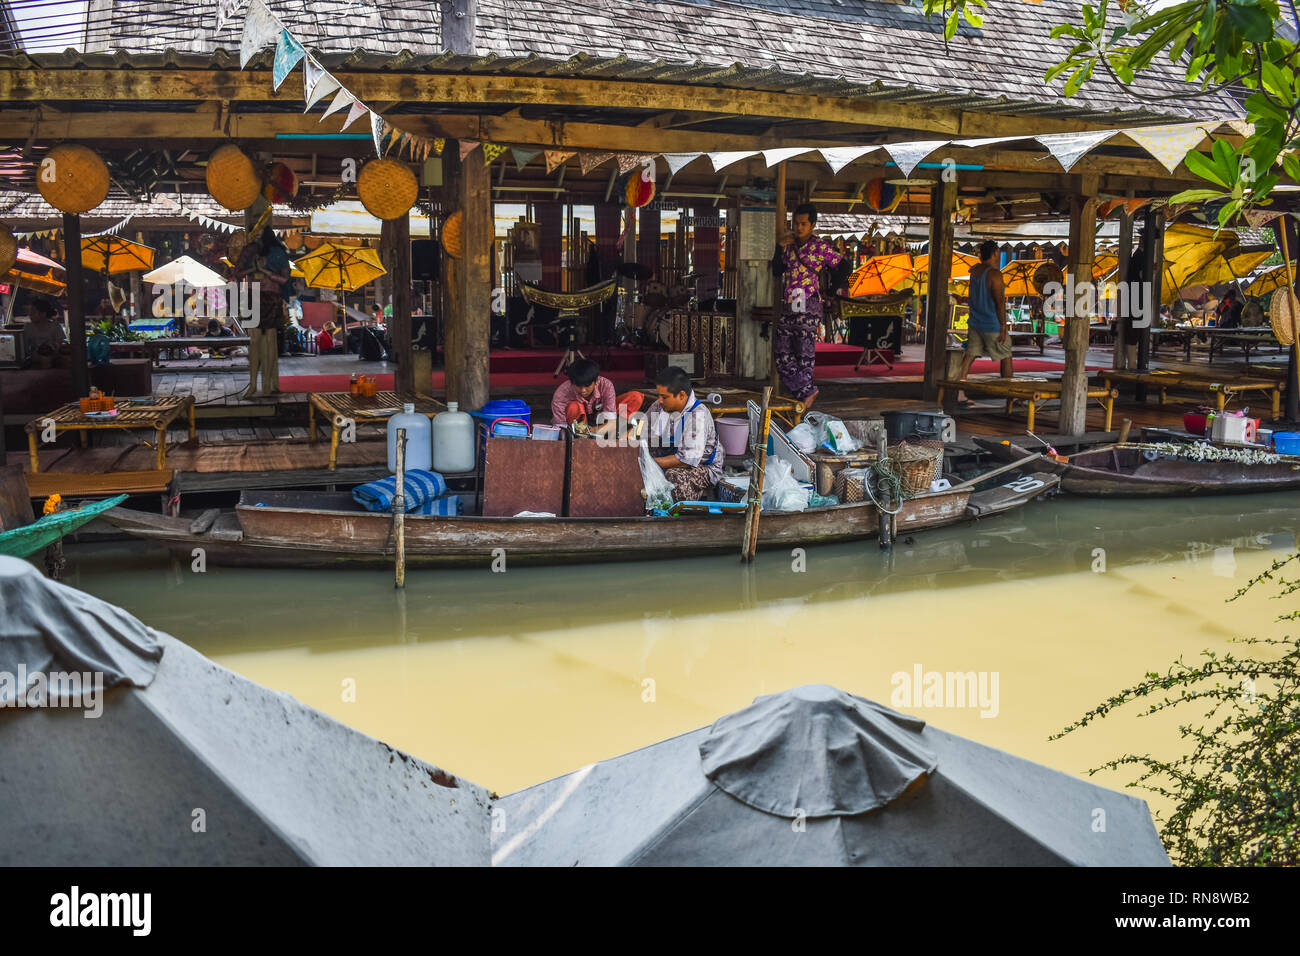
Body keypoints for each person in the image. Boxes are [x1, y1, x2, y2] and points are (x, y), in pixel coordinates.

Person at [770, 203, 843, 411]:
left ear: (812, 224)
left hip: (809, 301)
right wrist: (778, 246)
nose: (799, 227)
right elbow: (776, 270)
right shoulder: (790, 247)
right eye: (796, 223)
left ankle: (804, 395)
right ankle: (807, 390)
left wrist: (832, 290)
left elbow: (844, 266)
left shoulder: (820, 247)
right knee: (781, 352)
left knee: (804, 352)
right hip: (791, 302)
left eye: (803, 224)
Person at [646, 365, 722, 502]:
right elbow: (642, 427)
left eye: (664, 396)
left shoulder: (697, 416)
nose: (660, 400)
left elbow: (685, 461)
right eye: (659, 395)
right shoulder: (660, 406)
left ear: (681, 395)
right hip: (669, 456)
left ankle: (681, 515)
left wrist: (649, 463)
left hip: (700, 466)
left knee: (674, 477)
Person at [955, 240, 1013, 406]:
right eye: (999, 252)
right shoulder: (995, 274)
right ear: (995, 253)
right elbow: (999, 302)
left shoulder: (975, 271)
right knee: (1006, 356)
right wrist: (1003, 326)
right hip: (992, 323)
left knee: (969, 356)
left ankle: (960, 392)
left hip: (975, 321)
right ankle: (1011, 395)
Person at [550, 358, 644, 437]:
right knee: (574, 406)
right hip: (579, 425)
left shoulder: (606, 385)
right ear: (571, 382)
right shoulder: (561, 394)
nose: (583, 390)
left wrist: (596, 429)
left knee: (635, 397)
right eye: (578, 385)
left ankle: (617, 429)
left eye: (587, 385)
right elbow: (560, 428)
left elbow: (611, 419)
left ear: (596, 381)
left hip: (603, 421)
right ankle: (582, 436)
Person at [24, 297, 66, 363]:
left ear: (43, 314)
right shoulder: (28, 327)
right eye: (30, 312)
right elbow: (24, 347)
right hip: (33, 363)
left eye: (33, 312)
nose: (30, 314)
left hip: (53, 363)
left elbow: (61, 345)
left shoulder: (55, 326)